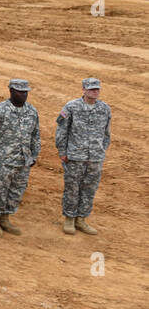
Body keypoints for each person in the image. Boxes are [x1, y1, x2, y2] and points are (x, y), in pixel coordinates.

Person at [0, 78, 41, 238]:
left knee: (16, 191)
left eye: (25, 92)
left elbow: (35, 135)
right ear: (11, 91)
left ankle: (5, 219)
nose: (23, 95)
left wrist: (34, 155)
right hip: (3, 161)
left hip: (23, 161)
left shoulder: (32, 111)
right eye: (19, 92)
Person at [56, 78, 111, 236]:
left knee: (89, 189)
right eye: (91, 89)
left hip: (95, 158)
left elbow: (107, 134)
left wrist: (101, 151)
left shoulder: (104, 109)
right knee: (72, 188)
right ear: (84, 90)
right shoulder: (71, 107)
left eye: (97, 89)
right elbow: (62, 131)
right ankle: (69, 219)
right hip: (75, 156)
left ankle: (81, 219)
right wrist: (62, 152)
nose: (95, 91)